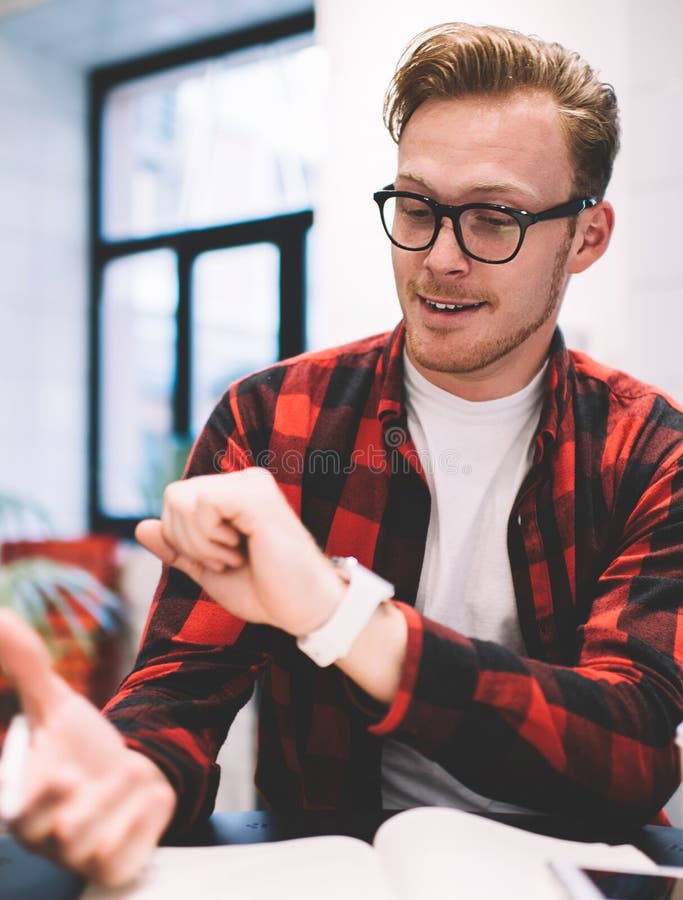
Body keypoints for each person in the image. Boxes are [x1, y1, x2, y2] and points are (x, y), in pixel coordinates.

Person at [2, 21, 683, 887]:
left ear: (585, 237)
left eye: (492, 219)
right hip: (337, 864)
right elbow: (182, 684)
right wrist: (128, 775)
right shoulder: (274, 418)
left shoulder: (650, 448)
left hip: (570, 871)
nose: (439, 257)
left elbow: (630, 744)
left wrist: (340, 616)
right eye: (415, 206)